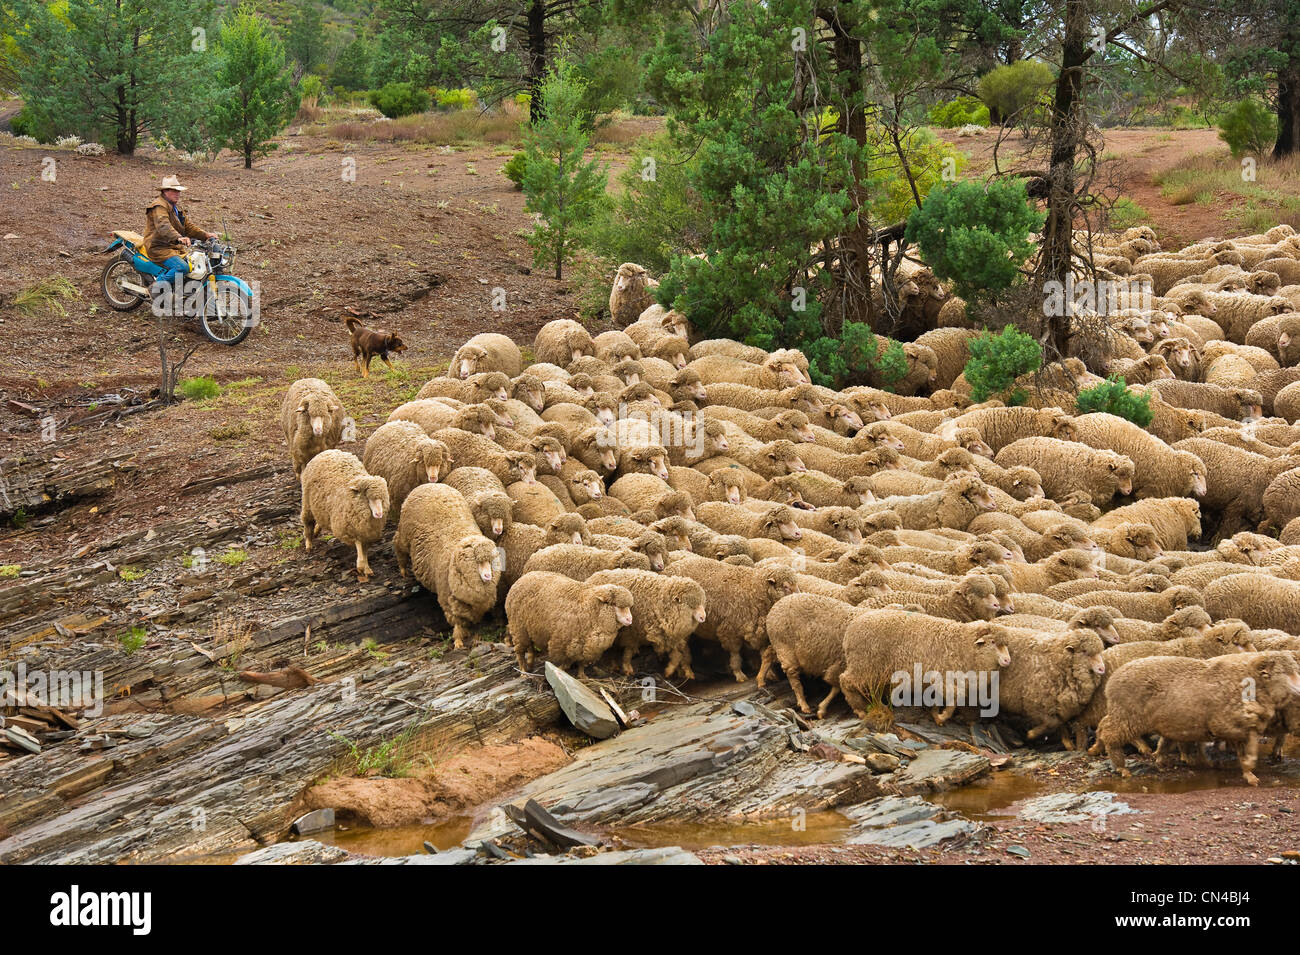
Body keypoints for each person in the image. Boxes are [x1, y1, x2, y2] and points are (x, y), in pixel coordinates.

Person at [143, 175, 219, 288]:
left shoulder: (175, 208)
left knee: (194, 264)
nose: (178, 193)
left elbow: (188, 227)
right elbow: (163, 225)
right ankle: (156, 287)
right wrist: (179, 237)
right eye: (174, 190)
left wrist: (205, 235)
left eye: (178, 191)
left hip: (173, 247)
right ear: (165, 191)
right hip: (158, 247)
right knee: (182, 267)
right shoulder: (159, 206)